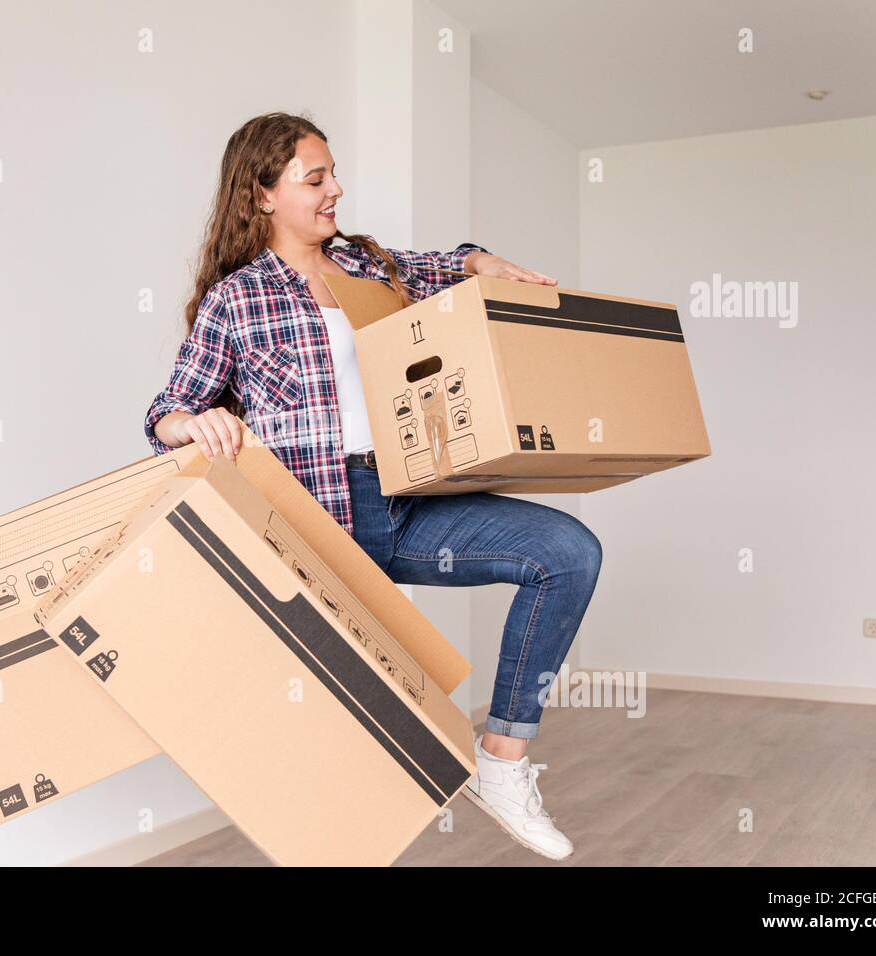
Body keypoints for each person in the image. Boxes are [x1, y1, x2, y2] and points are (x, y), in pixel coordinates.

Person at [142, 111, 602, 861]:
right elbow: (167, 410)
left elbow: (446, 267)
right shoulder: (239, 300)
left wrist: (484, 262)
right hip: (316, 533)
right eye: (315, 178)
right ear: (262, 195)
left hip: (408, 508)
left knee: (567, 553)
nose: (336, 190)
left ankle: (503, 763)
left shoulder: (366, 267)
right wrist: (191, 428)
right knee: (339, 759)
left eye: (333, 174)